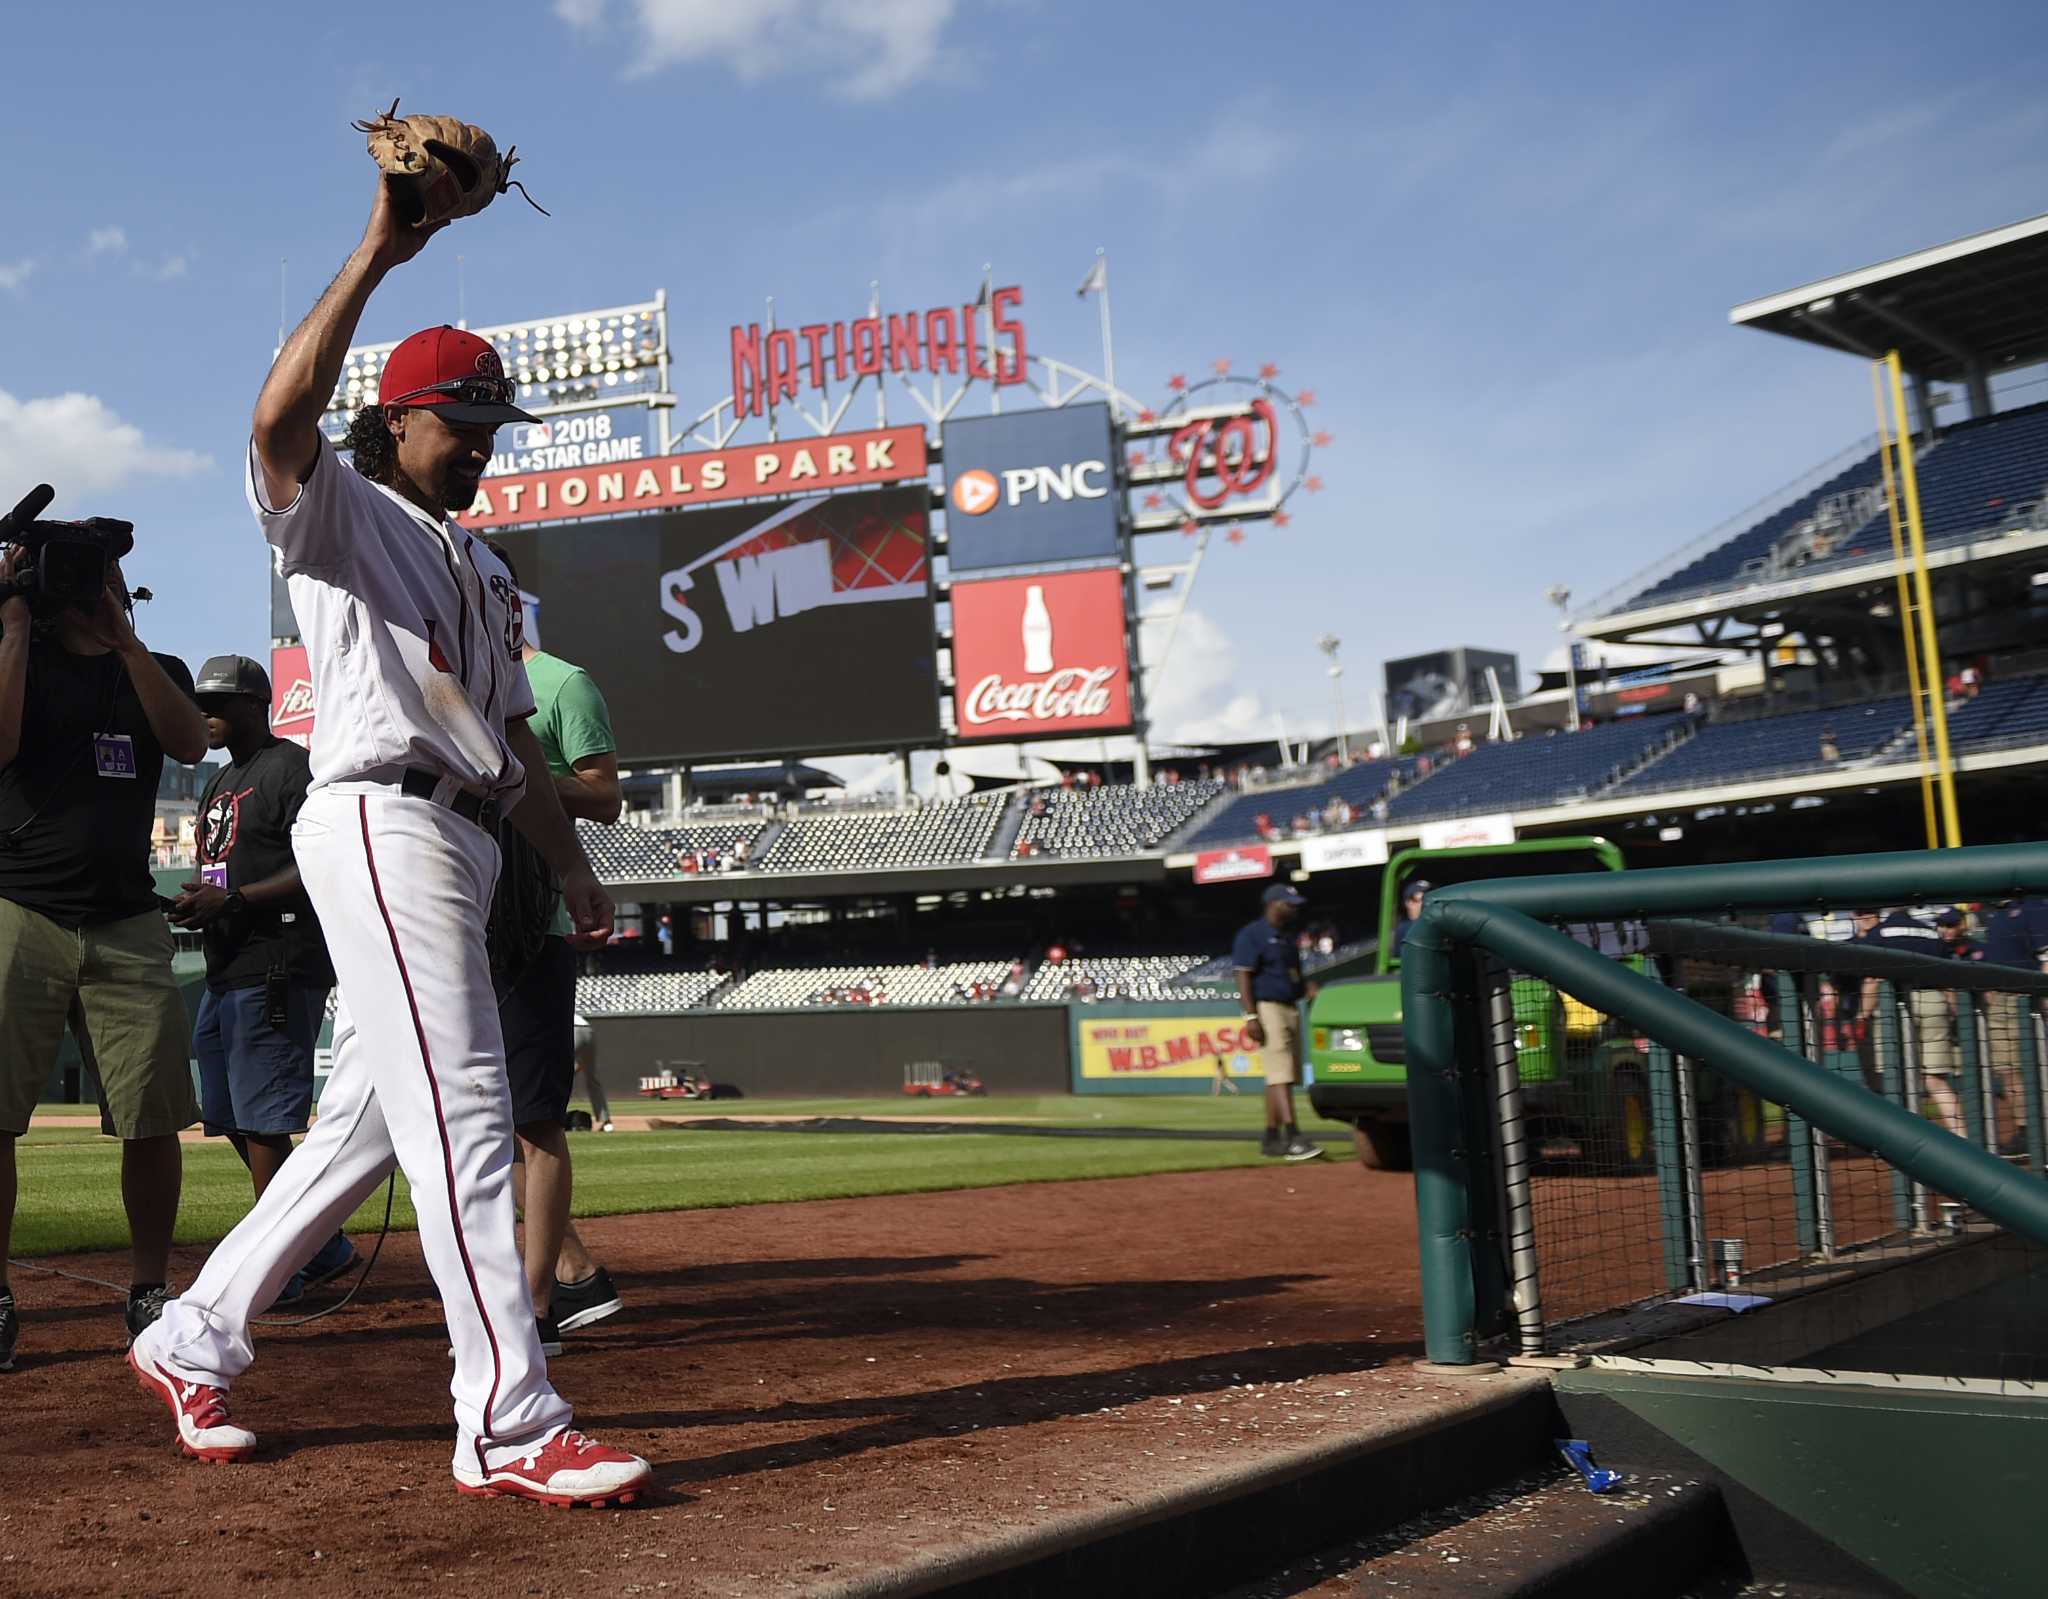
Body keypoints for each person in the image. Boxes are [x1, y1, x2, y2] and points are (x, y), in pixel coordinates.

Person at [129, 178, 648, 1505]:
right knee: (467, 1106)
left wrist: (577, 873)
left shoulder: (483, 567)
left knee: (364, 1117)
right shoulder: (342, 512)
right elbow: (272, 417)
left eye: (492, 422)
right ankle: (510, 1415)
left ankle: (194, 1331)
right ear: (398, 415)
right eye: (459, 418)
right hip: (380, 818)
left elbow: (517, 741)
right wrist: (379, 249)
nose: (481, 440)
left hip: (468, 843)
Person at [0, 543, 207, 1372]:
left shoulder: (154, 665)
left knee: (153, 1117)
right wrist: (12, 625)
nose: (94, 591)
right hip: (20, 906)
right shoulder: (18, 653)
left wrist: (125, 644)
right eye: (77, 578)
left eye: (105, 575)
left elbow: (191, 744)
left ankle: (149, 1290)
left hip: (126, 917)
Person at [168, 655, 355, 1303]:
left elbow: (321, 863)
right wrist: (202, 898)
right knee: (227, 1115)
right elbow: (222, 871)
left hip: (278, 960)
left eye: (218, 701)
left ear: (257, 703)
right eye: (201, 701)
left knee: (265, 1122)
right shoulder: (218, 780)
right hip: (227, 963)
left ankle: (288, 1265)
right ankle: (323, 1245)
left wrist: (238, 899)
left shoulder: (292, 768)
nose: (206, 712)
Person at [483, 544, 626, 1348]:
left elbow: (604, 795)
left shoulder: (561, 682)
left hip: (531, 923)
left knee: (535, 1121)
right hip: (455, 913)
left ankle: (540, 1312)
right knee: (481, 1121)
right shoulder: (444, 679)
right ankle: (571, 1273)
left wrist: (512, 772)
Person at [1233, 883, 1324, 1161]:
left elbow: (1293, 975)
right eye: (1289, 903)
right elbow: (1243, 976)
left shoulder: (1287, 937)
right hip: (1267, 1007)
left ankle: (1271, 1138)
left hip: (1289, 1006)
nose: (1294, 908)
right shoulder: (1253, 935)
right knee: (1281, 1072)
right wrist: (1250, 1015)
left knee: (1280, 1076)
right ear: (1273, 904)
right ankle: (1293, 1136)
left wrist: (1306, 987)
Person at [1855, 906, 1962, 1139]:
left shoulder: (1878, 933)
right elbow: (1948, 982)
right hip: (1934, 1001)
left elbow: (1873, 981)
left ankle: (1906, 1142)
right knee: (1935, 1080)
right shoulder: (1931, 932)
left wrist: (1862, 1015)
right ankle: (1964, 1142)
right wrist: (1953, 1012)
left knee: (1895, 1078)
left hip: (1895, 1004)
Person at [1391, 880, 1432, 959]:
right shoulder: (1403, 929)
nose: (1427, 903)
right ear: (1408, 902)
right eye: (1421, 899)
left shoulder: (1436, 922)